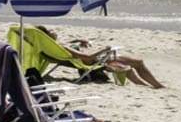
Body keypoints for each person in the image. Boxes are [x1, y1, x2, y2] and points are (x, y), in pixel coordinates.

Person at [34, 25, 164, 88]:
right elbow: (88, 57)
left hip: (97, 59)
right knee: (137, 63)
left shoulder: (54, 46)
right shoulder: (61, 47)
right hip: (97, 61)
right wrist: (104, 48)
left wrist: (78, 41)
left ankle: (148, 86)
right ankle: (155, 86)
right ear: (47, 36)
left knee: (131, 65)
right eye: (51, 31)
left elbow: (69, 49)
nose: (54, 31)